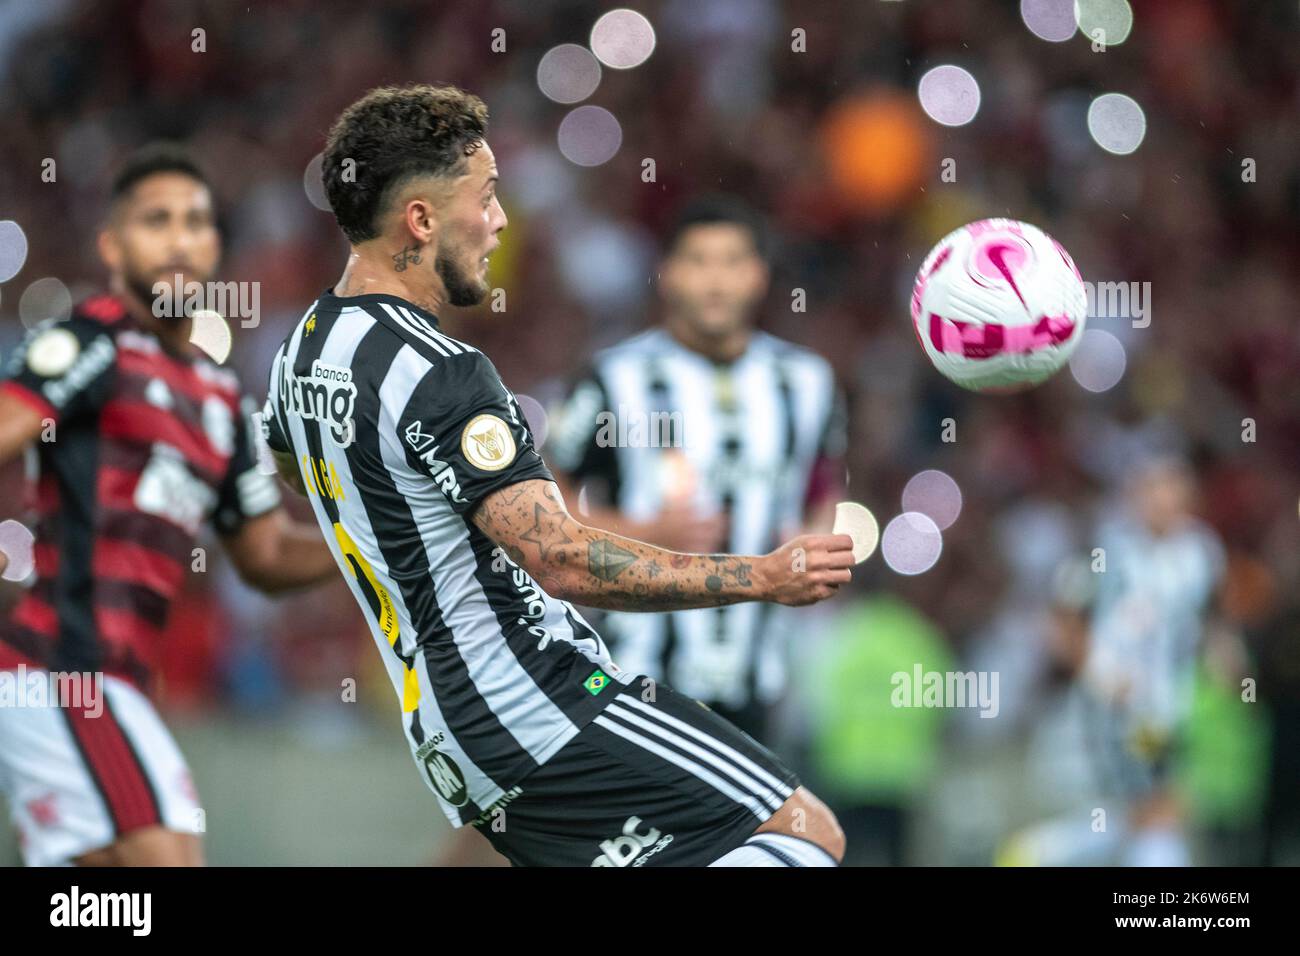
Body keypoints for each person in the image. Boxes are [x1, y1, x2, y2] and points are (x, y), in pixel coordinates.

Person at [261, 83, 852, 867]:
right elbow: (562, 558)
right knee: (802, 832)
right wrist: (762, 574)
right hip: (540, 699)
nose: (501, 221)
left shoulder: (300, 351)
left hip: (450, 733)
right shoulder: (443, 373)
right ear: (422, 219)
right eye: (489, 196)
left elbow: (296, 471)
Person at [0, 144, 339, 867]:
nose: (180, 238)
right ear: (113, 245)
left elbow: (268, 554)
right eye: (156, 220)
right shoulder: (93, 339)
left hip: (120, 682)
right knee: (166, 861)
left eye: (196, 221)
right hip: (59, 668)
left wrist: (372, 543)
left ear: (216, 245)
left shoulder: (220, 400)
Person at [545, 194, 847, 745]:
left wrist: (815, 534)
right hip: (636, 668)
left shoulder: (809, 381)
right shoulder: (611, 377)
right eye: (698, 261)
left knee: (757, 830)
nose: (715, 281)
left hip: (760, 671)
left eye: (732, 262)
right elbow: (545, 502)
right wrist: (645, 535)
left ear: (758, 276)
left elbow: (823, 482)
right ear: (669, 275)